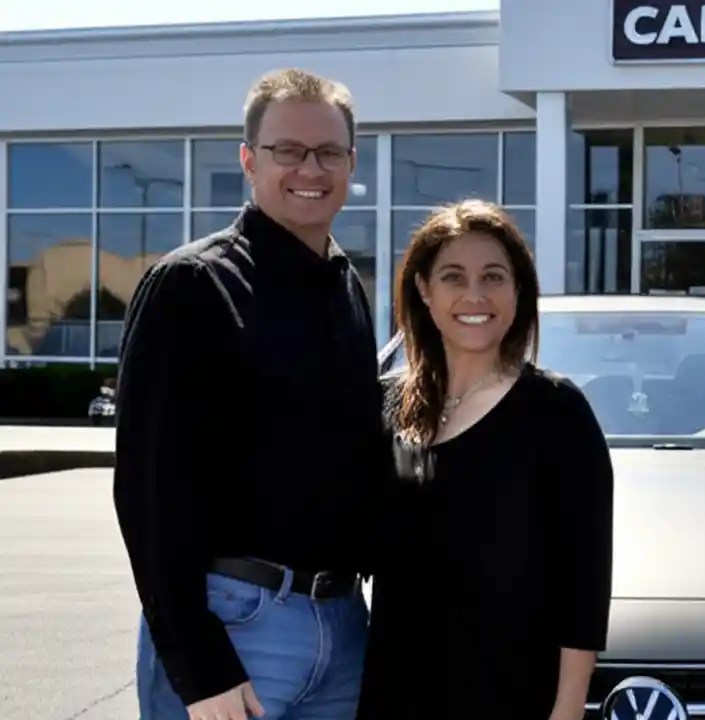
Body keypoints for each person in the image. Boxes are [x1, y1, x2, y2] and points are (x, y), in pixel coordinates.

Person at [112, 68, 385, 720]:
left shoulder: (347, 287)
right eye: (287, 150)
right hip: (236, 628)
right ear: (248, 160)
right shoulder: (193, 287)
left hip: (344, 628)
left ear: (351, 162)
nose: (309, 168)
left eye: (328, 152)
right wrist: (197, 664)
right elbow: (149, 490)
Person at [356, 200, 615, 720]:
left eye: (493, 276)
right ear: (424, 289)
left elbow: (582, 589)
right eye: (454, 277)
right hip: (395, 694)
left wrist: (566, 711)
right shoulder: (386, 407)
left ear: (518, 289)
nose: (475, 295)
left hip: (512, 696)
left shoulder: (557, 415)